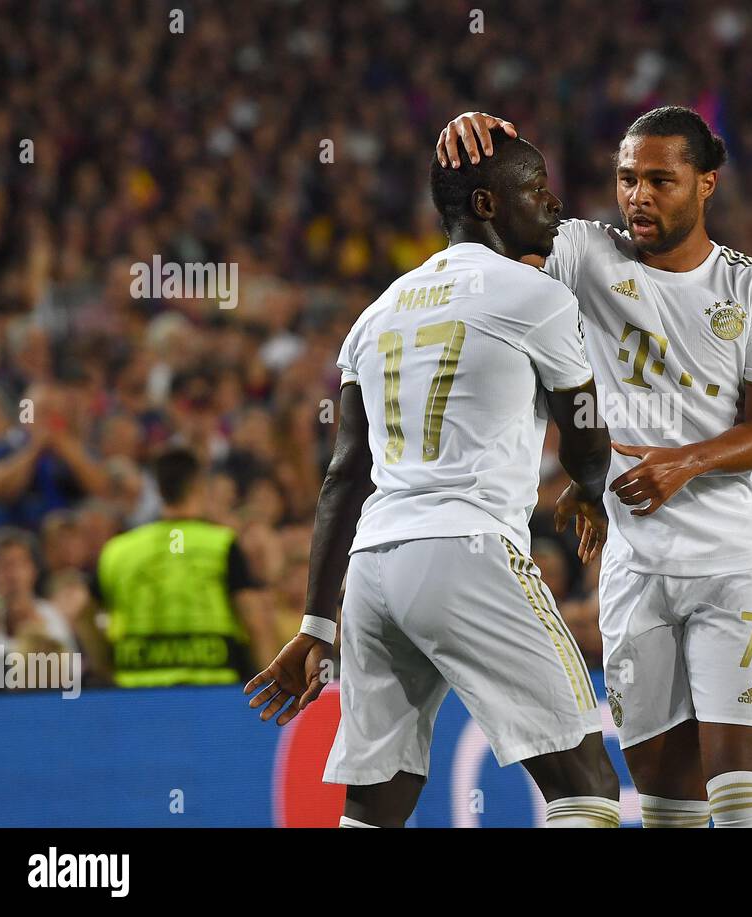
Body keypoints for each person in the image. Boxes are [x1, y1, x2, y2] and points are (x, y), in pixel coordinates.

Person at [439, 107, 752, 827]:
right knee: (667, 809)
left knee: (741, 803)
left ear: (707, 185)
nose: (638, 195)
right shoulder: (583, 254)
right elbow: (486, 228)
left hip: (737, 562)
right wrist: (468, 136)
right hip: (634, 568)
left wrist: (683, 465)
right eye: (627, 178)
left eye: (661, 180)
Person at [246, 131, 621, 828]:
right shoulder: (535, 296)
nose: (552, 203)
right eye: (535, 191)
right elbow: (587, 432)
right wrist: (589, 485)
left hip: (374, 574)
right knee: (587, 786)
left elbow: (343, 477)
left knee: (375, 805)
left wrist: (315, 622)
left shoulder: (374, 315)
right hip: (472, 553)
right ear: (487, 203)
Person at [94, 446, 271, 686]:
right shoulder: (221, 544)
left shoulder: (118, 550)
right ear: (198, 486)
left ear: (157, 489)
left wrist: (105, 667)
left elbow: (86, 613)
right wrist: (275, 686)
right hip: (212, 686)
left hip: (135, 689)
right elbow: (255, 621)